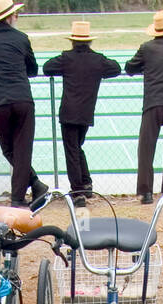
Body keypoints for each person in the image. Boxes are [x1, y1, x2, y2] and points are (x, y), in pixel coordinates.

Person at [0, 0, 47, 209]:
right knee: (22, 149)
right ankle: (25, 191)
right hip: (22, 99)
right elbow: (33, 69)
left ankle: (31, 187)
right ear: (10, 16)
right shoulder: (21, 38)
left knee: (9, 149)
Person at [42, 22, 120, 206]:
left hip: (69, 112)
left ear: (73, 42)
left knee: (72, 151)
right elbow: (115, 68)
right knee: (77, 147)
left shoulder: (66, 58)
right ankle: (86, 183)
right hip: (86, 113)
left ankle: (78, 193)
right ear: (89, 42)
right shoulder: (98, 60)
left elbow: (47, 68)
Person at [124, 8, 163, 204]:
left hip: (152, 103)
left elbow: (130, 67)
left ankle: (146, 192)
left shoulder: (147, 48)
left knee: (146, 148)